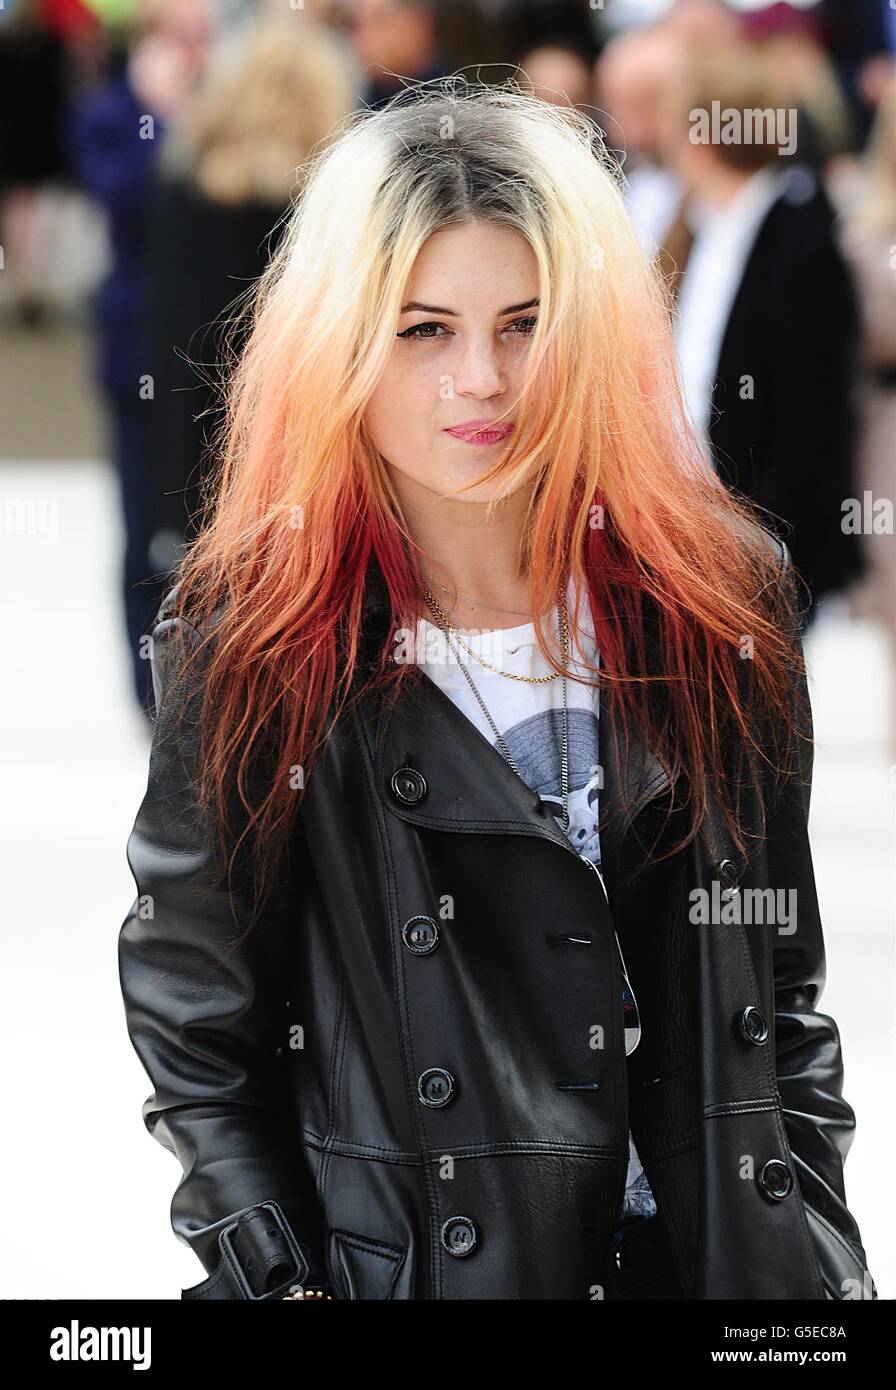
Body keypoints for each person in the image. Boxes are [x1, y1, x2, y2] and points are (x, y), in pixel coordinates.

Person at [118, 79, 875, 1301]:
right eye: (423, 329)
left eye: (525, 323)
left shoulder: (715, 603)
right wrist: (283, 1282)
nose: (482, 380)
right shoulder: (259, 643)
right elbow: (200, 1041)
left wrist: (821, 1258)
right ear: (341, 347)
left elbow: (775, 994)